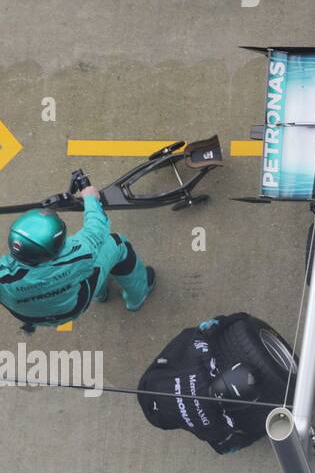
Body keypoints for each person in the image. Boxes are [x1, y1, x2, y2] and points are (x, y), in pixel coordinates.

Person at [0, 186, 155, 332]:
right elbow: (97, 230)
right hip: (76, 303)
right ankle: (137, 297)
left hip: (35, 317)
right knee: (117, 243)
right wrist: (91, 198)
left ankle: (101, 295)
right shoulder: (78, 254)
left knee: (87, 267)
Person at [137, 314, 263, 454]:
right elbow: (224, 447)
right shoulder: (215, 426)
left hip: (154, 385)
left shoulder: (200, 360)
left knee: (188, 336)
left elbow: (205, 328)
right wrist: (259, 432)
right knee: (187, 337)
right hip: (156, 407)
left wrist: (240, 317)